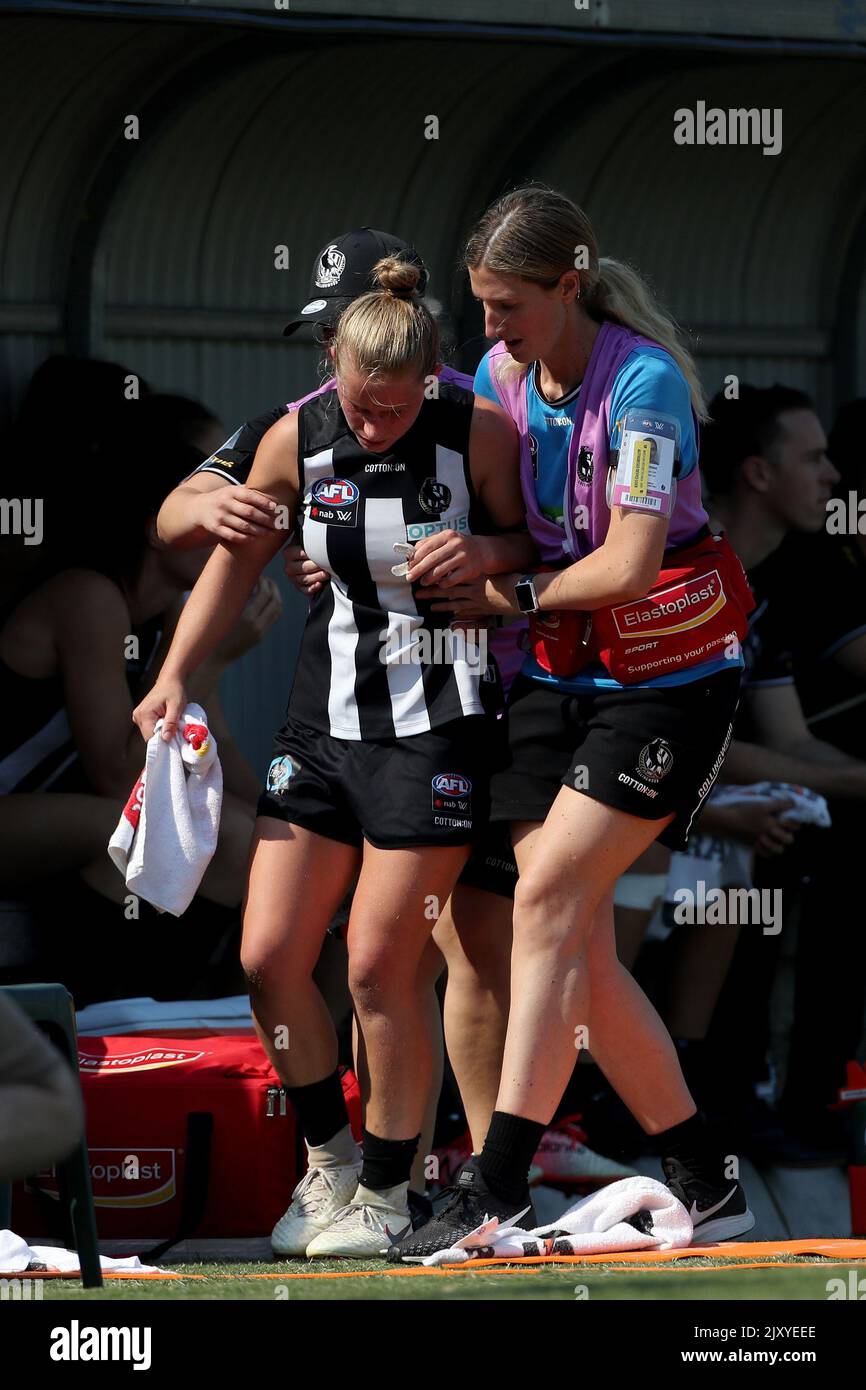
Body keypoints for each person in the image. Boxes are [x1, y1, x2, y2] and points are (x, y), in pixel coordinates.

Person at [133, 256, 535, 1258]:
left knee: (375, 965)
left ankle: (393, 1193)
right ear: (335, 375)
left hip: (436, 726)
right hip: (322, 725)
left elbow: (542, 542)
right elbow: (225, 552)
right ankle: (332, 1164)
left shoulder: (478, 430)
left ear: (432, 382)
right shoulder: (295, 431)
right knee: (269, 953)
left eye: (395, 411)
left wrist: (490, 555)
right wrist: (177, 676)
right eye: (360, 407)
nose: (373, 428)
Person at [390, 184, 757, 1262]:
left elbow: (628, 561)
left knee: (549, 896)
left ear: (568, 284)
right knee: (576, 950)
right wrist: (471, 559)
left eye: (508, 306)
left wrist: (510, 594)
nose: (489, 332)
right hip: (558, 669)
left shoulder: (638, 381)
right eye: (482, 307)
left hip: (667, 673)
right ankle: (702, 1172)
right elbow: (522, 531)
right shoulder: (505, 374)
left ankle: (492, 1182)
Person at [0, 395, 281, 1003]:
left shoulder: (167, 615)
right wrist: (212, 658)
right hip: (15, 811)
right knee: (152, 828)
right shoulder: (90, 598)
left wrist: (292, 828)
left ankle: (230, 1036)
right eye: (214, 523)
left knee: (256, 837)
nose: (232, 543)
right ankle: (122, 1016)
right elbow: (117, 775)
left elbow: (217, 752)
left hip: (55, 812)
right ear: (158, 533)